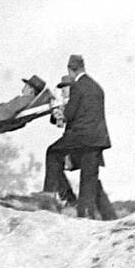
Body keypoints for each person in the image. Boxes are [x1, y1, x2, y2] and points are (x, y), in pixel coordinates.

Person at [44, 54, 112, 219]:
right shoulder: (97, 87)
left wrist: (60, 113)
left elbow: (71, 114)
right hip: (97, 139)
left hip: (80, 138)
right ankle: (88, 214)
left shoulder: (77, 87)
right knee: (89, 178)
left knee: (52, 153)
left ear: (70, 70)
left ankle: (50, 197)